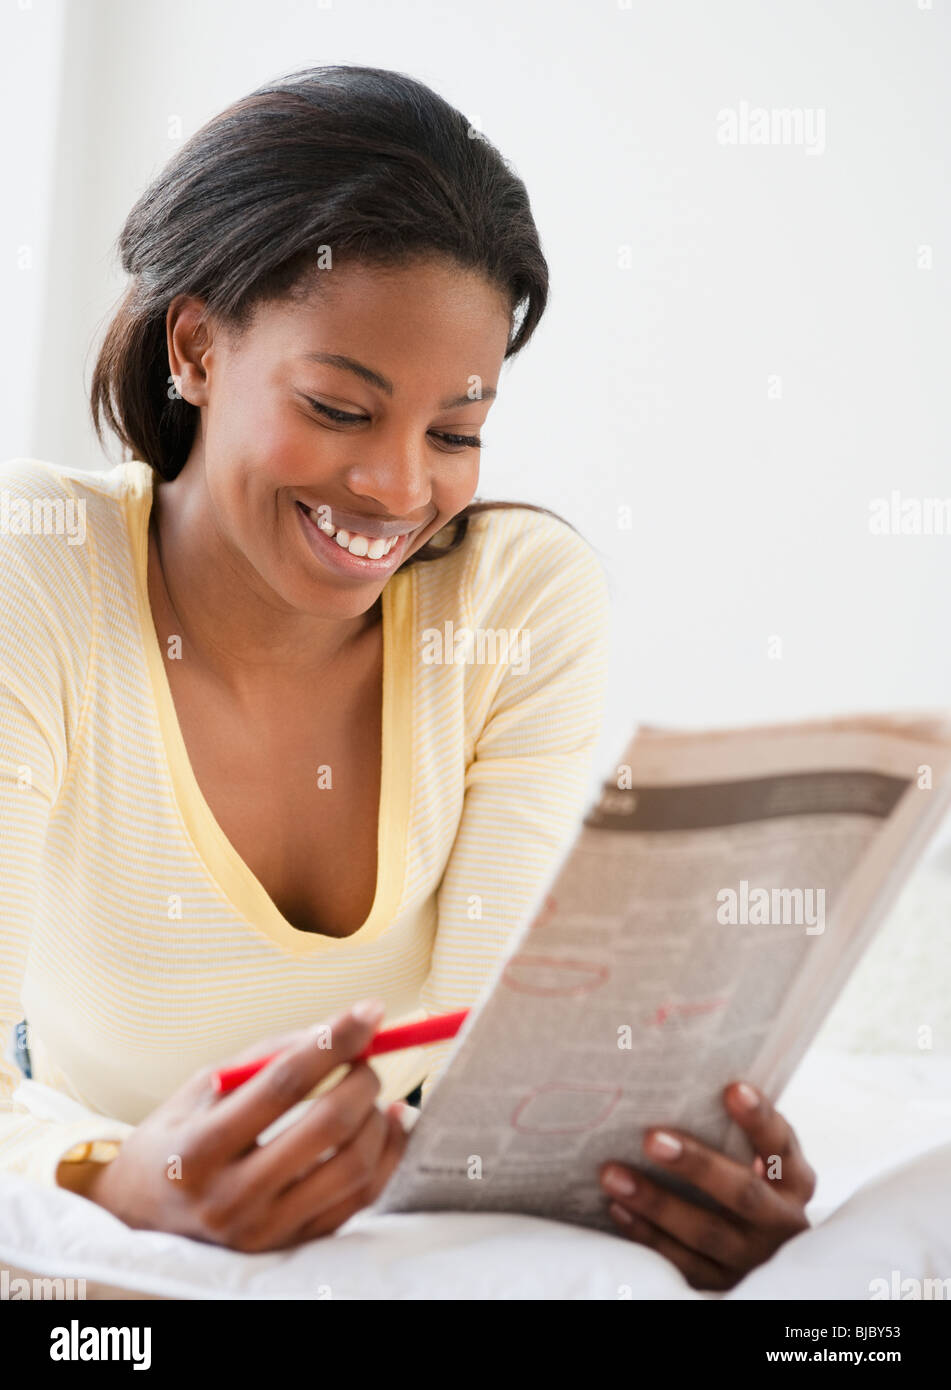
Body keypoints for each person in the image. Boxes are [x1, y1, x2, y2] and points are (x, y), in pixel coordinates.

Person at [0, 64, 813, 1285]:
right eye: (338, 407)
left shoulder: (518, 605)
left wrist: (669, 1173)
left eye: (455, 433)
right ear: (198, 346)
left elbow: (500, 1072)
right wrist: (115, 1176)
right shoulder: (40, 572)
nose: (396, 489)